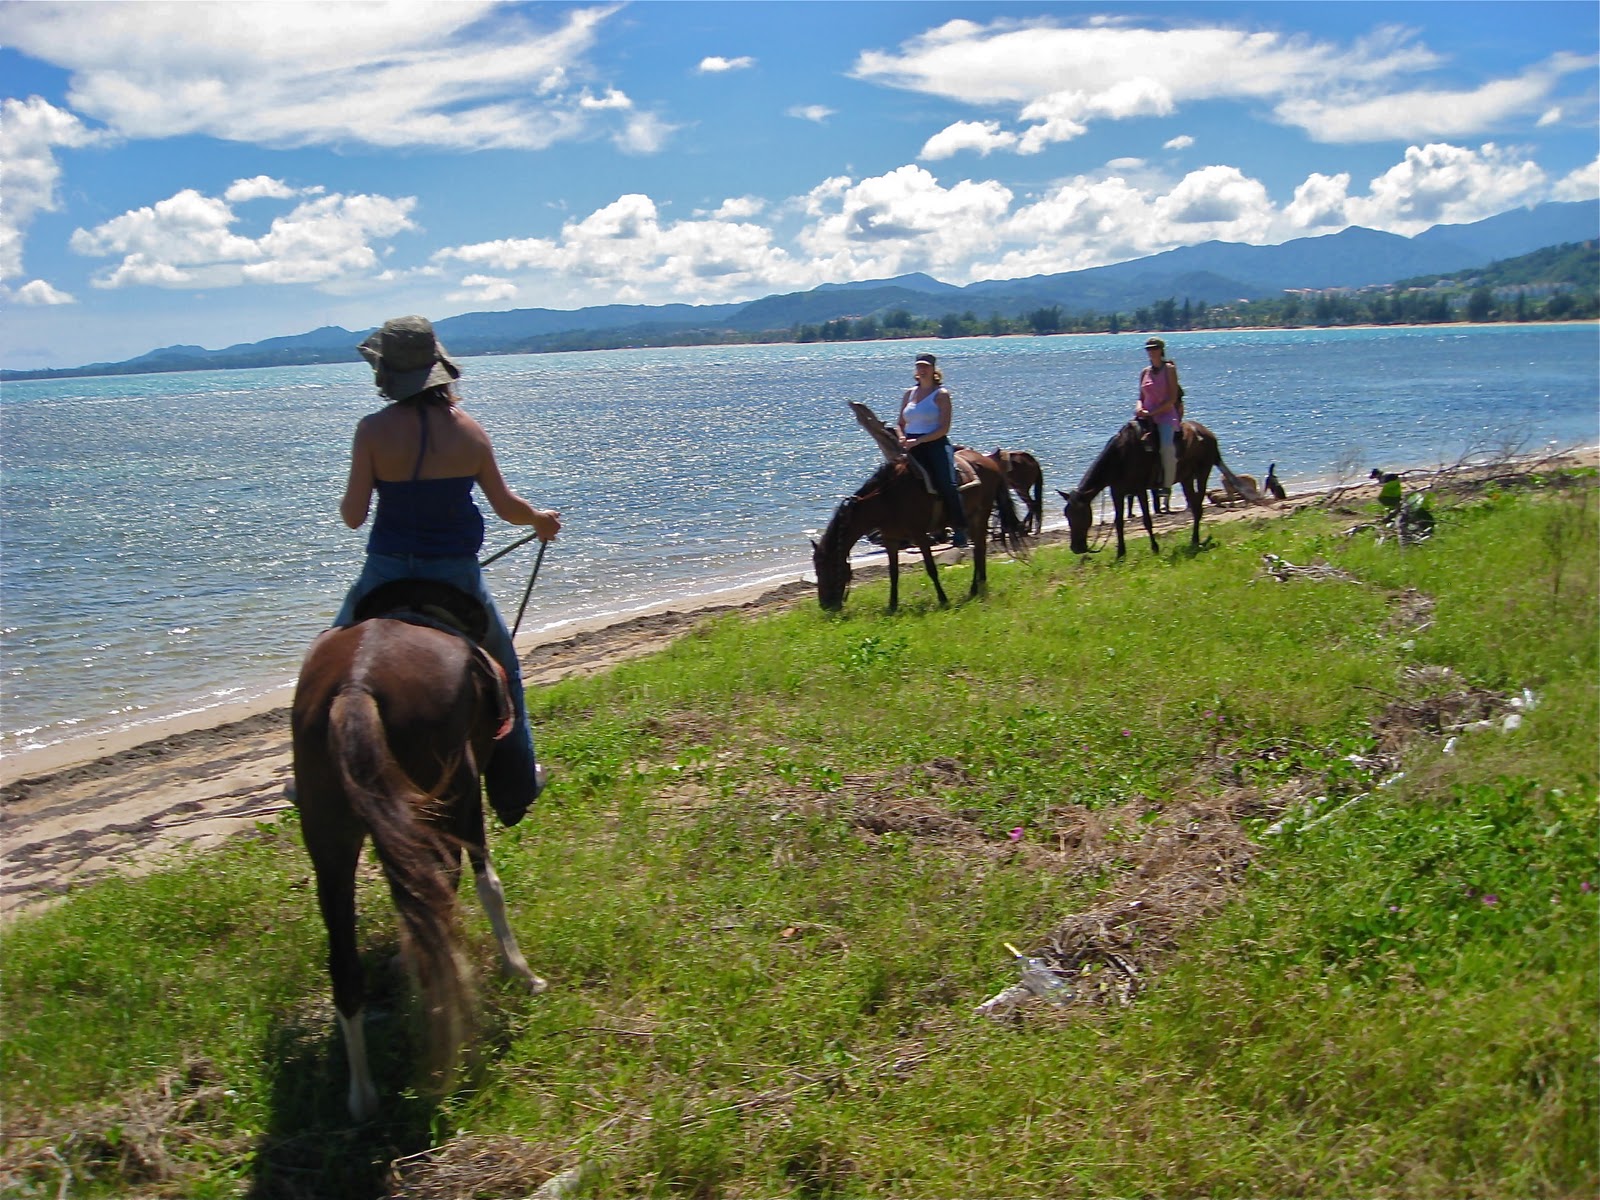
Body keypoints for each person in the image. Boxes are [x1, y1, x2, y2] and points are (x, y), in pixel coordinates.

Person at [333, 315, 561, 826]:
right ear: (439, 370)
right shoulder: (470, 432)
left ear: (385, 374)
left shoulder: (371, 431)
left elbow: (352, 518)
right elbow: (506, 508)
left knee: (329, 663)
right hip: (456, 576)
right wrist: (541, 521)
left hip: (384, 574)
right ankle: (516, 785)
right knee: (507, 670)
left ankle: (311, 778)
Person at [896, 352, 969, 547]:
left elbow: (943, 428)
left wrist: (919, 442)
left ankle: (960, 528)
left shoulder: (941, 394)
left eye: (926, 366)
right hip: (910, 444)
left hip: (934, 443)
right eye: (919, 366)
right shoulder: (909, 394)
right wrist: (902, 436)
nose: (922, 370)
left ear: (933, 369)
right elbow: (900, 423)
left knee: (946, 483)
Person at [1135, 336, 1183, 491]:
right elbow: (1140, 397)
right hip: (1145, 415)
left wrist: (1153, 412)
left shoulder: (1169, 369)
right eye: (1149, 349)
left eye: (1154, 348)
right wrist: (1139, 408)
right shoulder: (1144, 372)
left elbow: (1172, 398)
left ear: (1161, 350)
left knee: (1166, 447)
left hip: (1165, 415)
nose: (1151, 352)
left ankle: (1167, 484)